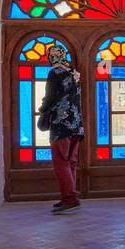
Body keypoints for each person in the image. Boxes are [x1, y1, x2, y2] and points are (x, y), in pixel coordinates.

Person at [38, 44, 85, 214]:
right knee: (70, 161)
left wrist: (43, 111)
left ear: (51, 56)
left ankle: (70, 198)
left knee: (60, 161)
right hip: (77, 125)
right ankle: (68, 196)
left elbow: (50, 96)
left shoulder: (55, 73)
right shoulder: (74, 73)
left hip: (61, 123)